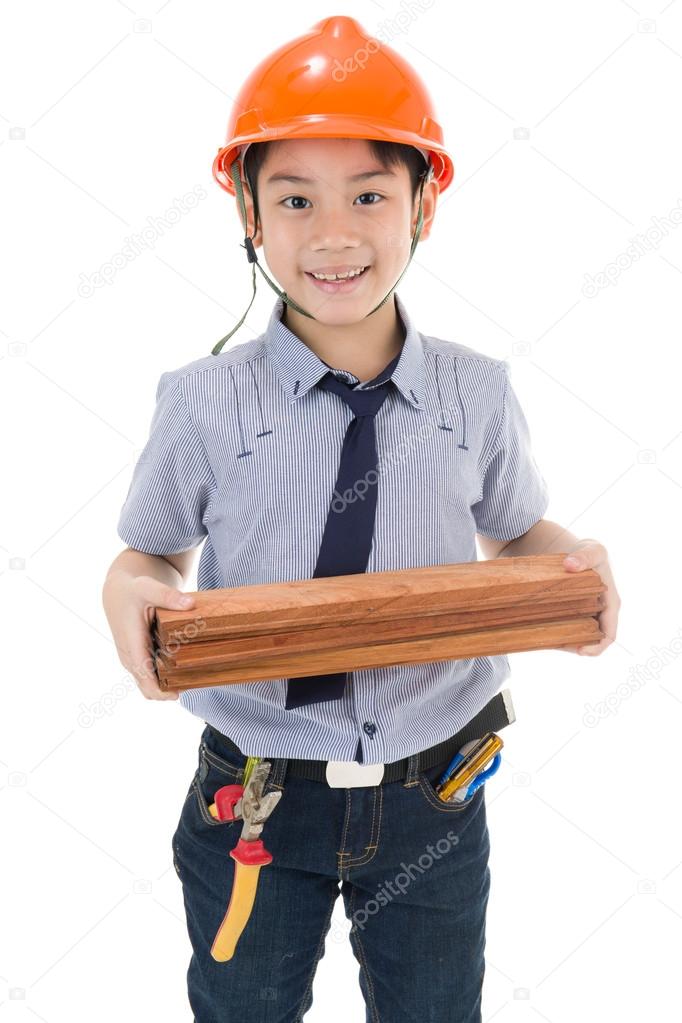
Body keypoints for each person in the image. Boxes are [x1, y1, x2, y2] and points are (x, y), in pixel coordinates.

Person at [101, 15, 620, 1023]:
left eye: (370, 196)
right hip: (252, 790)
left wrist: (578, 566)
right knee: (240, 1005)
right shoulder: (201, 404)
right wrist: (129, 600)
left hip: (434, 790)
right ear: (248, 213)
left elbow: (519, 536)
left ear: (423, 206)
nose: (332, 236)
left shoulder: (476, 392)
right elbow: (147, 554)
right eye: (293, 199)